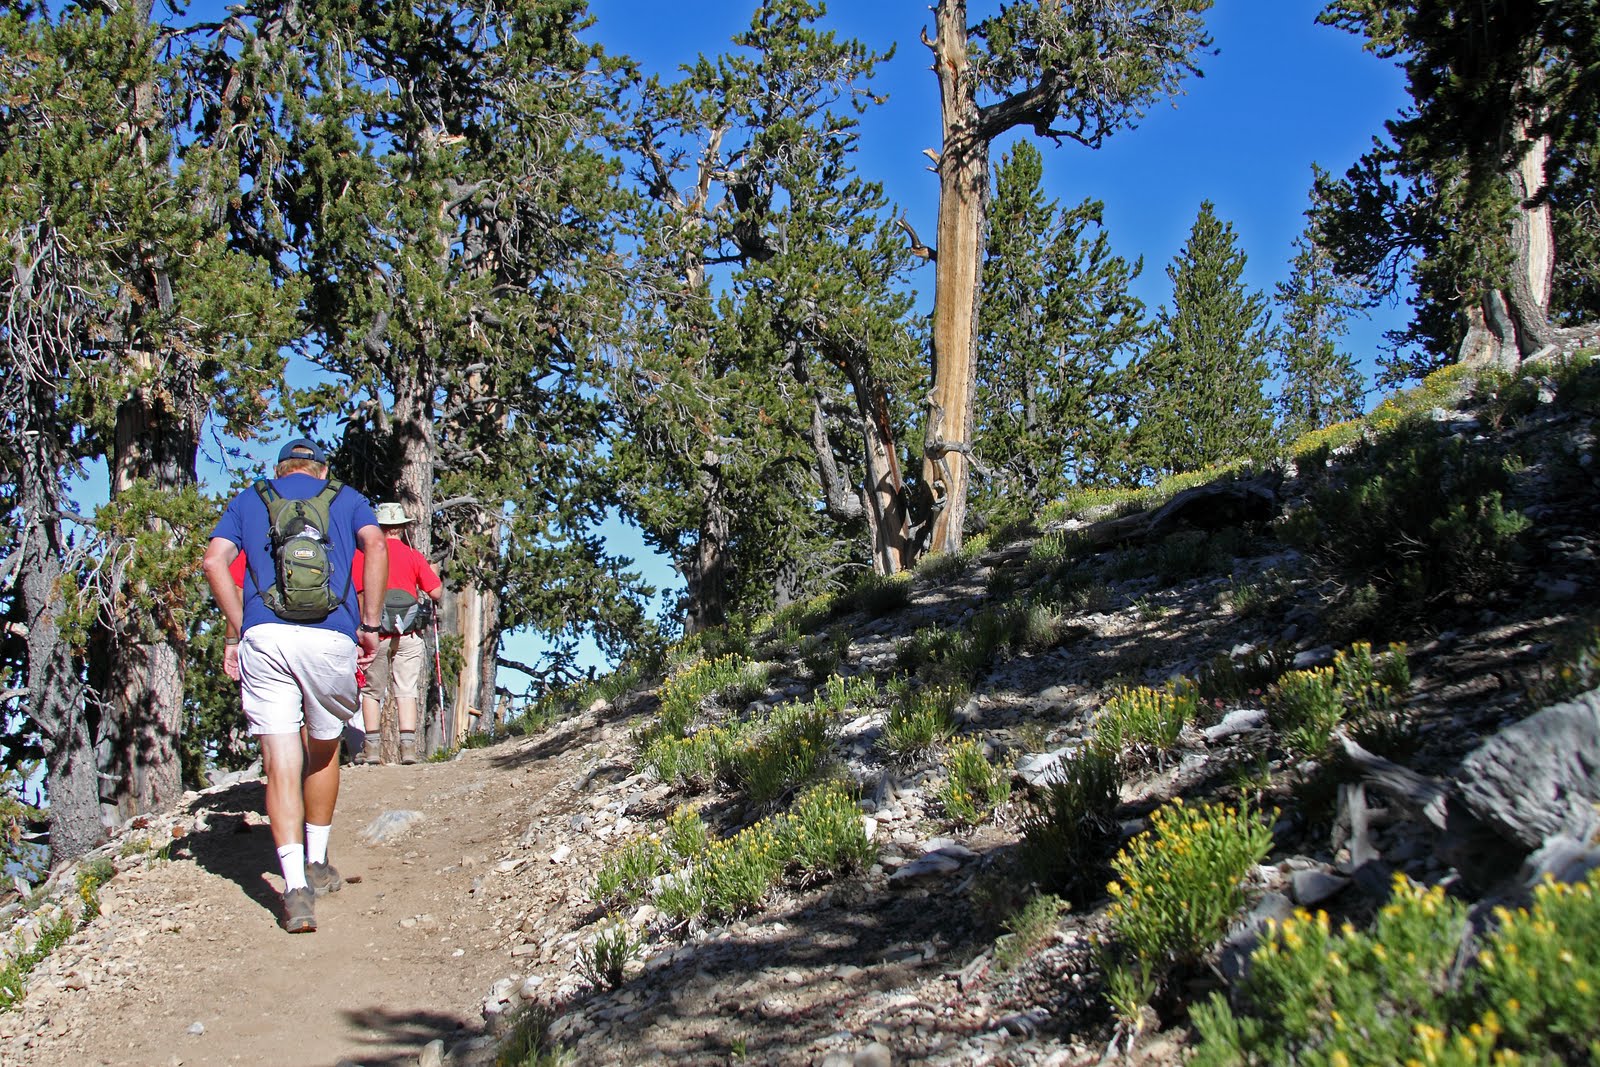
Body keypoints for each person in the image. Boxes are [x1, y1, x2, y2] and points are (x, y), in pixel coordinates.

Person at [201, 438, 387, 933]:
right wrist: (369, 623)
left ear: (280, 469)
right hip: (330, 637)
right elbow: (376, 545)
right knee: (323, 750)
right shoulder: (346, 497)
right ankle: (318, 861)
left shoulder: (250, 498)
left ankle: (296, 890)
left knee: (280, 763)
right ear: (321, 470)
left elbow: (215, 562)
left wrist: (240, 628)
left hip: (266, 638)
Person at [352, 502, 444, 766]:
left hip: (375, 634)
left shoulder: (363, 556)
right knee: (406, 689)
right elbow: (436, 592)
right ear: (402, 528)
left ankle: (372, 749)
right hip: (408, 633)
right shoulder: (413, 556)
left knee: (371, 692)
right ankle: (408, 750)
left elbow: (357, 591)